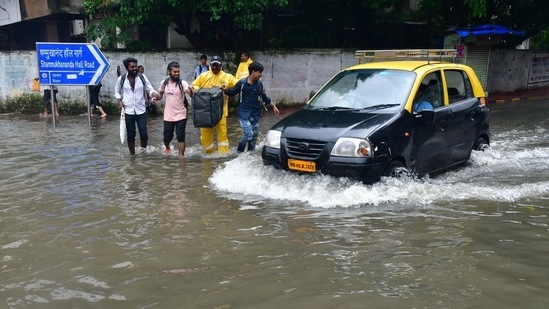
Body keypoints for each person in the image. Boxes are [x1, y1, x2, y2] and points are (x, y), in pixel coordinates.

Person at [222, 61, 279, 153]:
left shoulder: (259, 84)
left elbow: (264, 98)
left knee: (254, 137)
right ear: (253, 72)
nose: (261, 75)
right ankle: (239, 153)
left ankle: (249, 155)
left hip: (255, 113)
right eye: (259, 72)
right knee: (248, 134)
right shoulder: (242, 83)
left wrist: (273, 106)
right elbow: (232, 92)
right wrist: (225, 90)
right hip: (244, 113)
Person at [192, 55, 238, 154]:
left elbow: (238, 84)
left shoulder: (227, 77)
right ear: (210, 65)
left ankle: (223, 156)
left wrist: (228, 90)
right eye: (214, 65)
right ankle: (209, 156)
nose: (215, 67)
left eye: (217, 65)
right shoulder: (204, 76)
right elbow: (194, 85)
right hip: (205, 112)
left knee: (222, 135)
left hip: (221, 111)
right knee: (205, 136)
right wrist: (203, 91)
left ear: (221, 65)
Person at [114, 57, 160, 155]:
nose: (135, 68)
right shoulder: (121, 79)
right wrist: (119, 101)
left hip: (141, 110)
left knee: (144, 134)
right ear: (127, 68)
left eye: (136, 66)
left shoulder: (142, 77)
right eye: (132, 67)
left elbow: (149, 89)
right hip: (128, 111)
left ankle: (143, 153)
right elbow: (117, 91)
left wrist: (154, 94)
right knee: (130, 135)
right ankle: (132, 155)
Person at [157, 61, 192, 157]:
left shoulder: (182, 83)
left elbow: (188, 92)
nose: (177, 74)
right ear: (169, 72)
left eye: (178, 72)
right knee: (167, 137)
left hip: (181, 114)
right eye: (174, 72)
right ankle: (167, 147)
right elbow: (159, 96)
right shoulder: (164, 83)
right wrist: (154, 98)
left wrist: (190, 90)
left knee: (181, 136)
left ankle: (181, 156)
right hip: (168, 115)